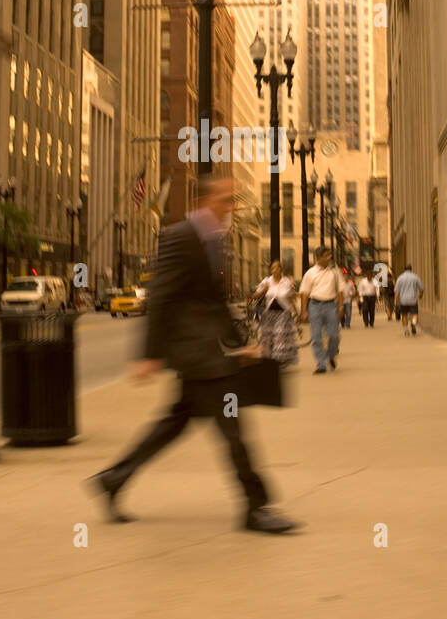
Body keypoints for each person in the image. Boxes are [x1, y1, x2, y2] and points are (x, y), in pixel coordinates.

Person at [87, 174, 299, 535]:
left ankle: (113, 479)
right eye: (225, 199)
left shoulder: (214, 238)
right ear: (204, 201)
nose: (231, 206)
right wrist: (149, 354)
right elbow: (161, 295)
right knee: (233, 430)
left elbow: (213, 302)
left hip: (209, 353)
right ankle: (255, 508)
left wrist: (241, 342)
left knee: (174, 424)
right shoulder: (180, 235)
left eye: (233, 200)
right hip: (198, 357)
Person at [298, 246, 343, 374]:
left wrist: (340, 307)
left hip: (331, 306)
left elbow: (340, 291)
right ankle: (321, 364)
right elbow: (304, 293)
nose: (329, 258)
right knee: (316, 336)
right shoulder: (310, 273)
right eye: (326, 255)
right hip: (315, 305)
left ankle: (330, 355)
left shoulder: (335, 272)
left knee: (334, 336)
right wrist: (303, 311)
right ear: (319, 258)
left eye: (330, 255)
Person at [254, 260, 299, 364]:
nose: (274, 270)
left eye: (277, 267)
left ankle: (278, 360)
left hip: (283, 313)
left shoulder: (287, 282)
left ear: (281, 269)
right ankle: (270, 359)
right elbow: (255, 295)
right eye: (272, 268)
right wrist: (263, 290)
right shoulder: (266, 281)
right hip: (269, 314)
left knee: (279, 334)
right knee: (268, 337)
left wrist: (296, 313)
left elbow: (291, 298)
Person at [394, 263, 424, 336]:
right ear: (411, 269)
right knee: (415, 314)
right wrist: (420, 296)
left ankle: (406, 330)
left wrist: (396, 300)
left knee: (404, 315)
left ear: (404, 269)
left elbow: (397, 291)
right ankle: (413, 324)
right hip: (413, 300)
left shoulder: (400, 278)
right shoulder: (415, 277)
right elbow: (421, 288)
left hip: (403, 300)